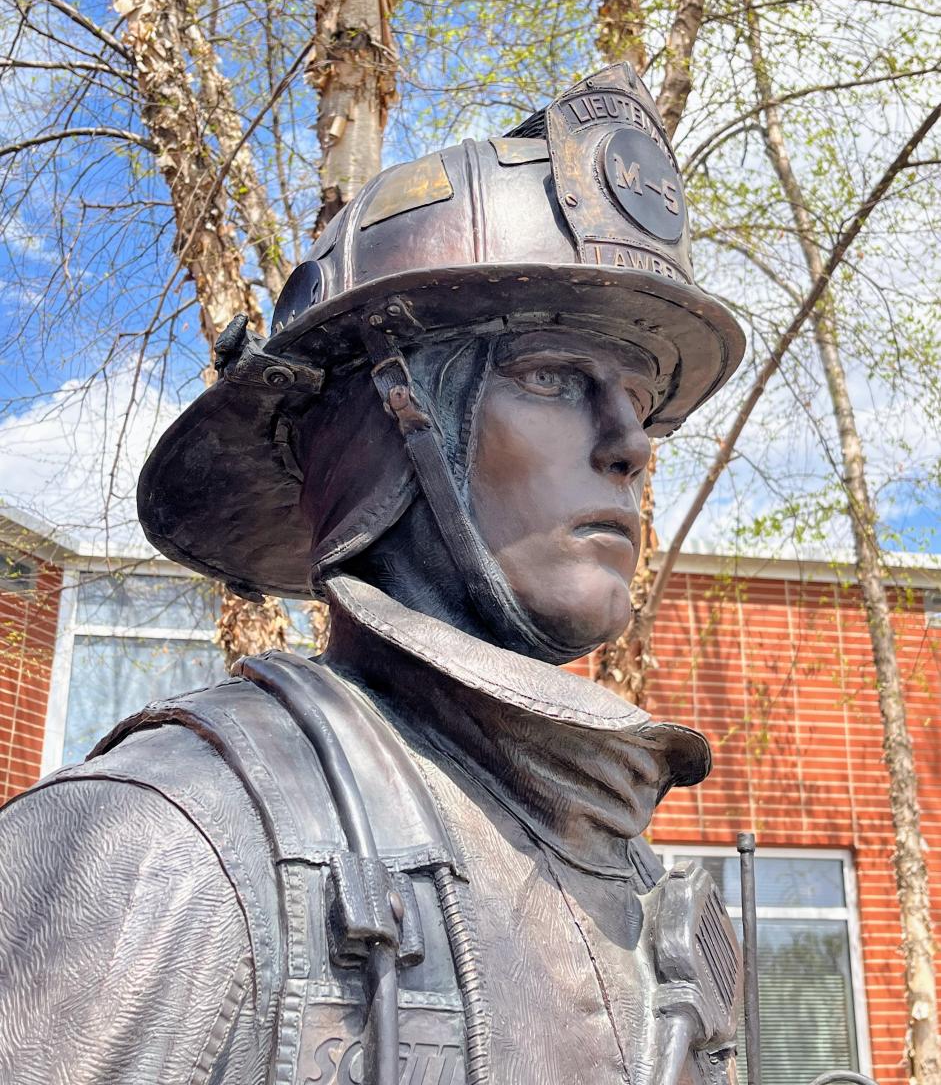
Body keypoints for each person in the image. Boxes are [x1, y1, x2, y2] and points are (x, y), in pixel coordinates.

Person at [0, 63, 746, 1085]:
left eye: (640, 398)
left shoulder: (633, 888)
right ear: (383, 426)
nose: (630, 445)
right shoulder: (163, 840)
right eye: (550, 376)